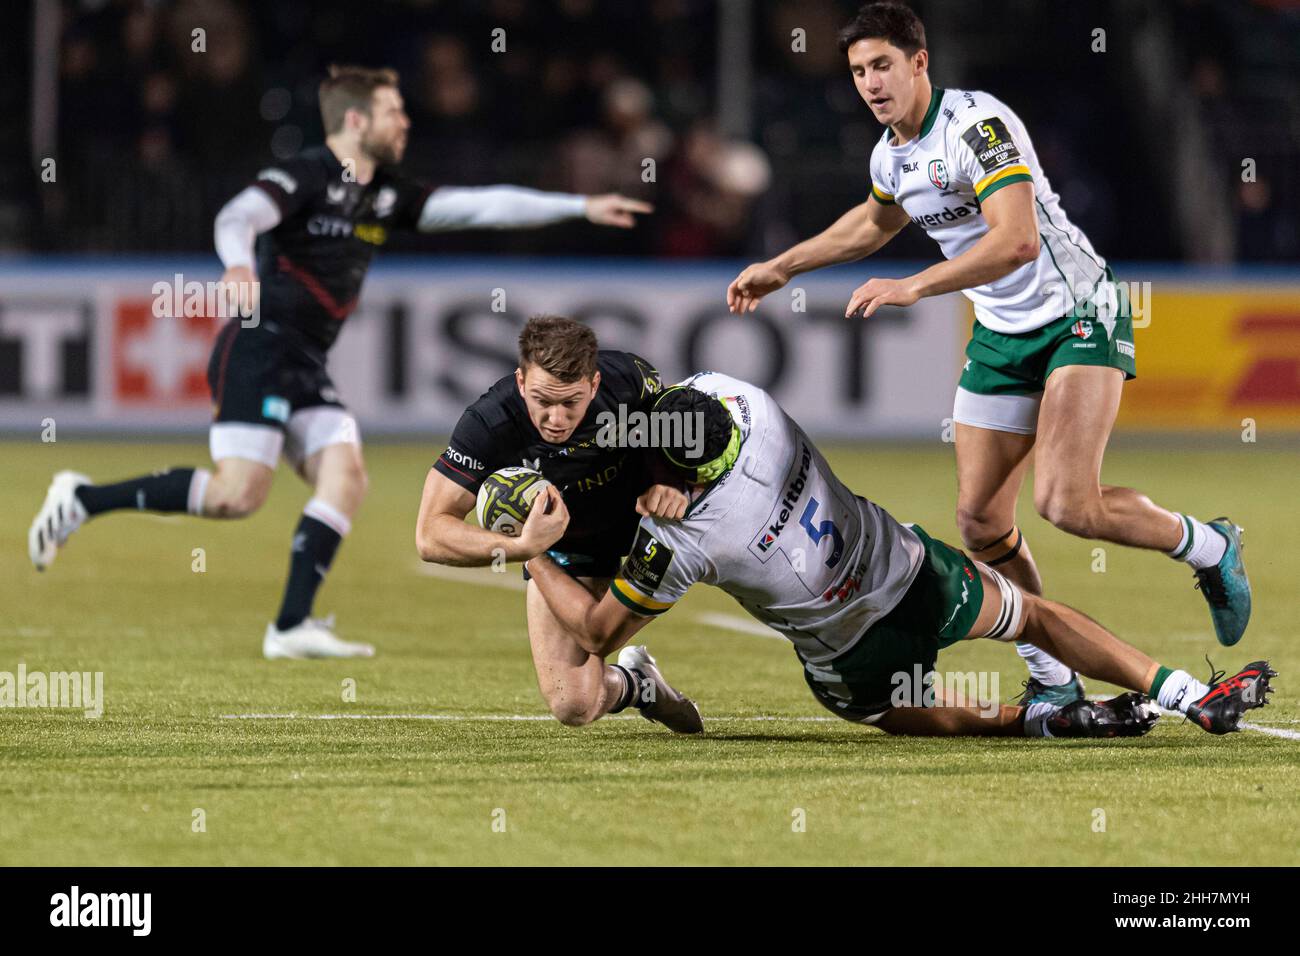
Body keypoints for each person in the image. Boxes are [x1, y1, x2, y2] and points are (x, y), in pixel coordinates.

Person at [725, 3, 1251, 712]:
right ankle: (1053, 675)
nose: (870, 83)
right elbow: (873, 223)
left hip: (1076, 311)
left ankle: (1210, 546)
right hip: (1002, 334)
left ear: (919, 62)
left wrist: (914, 286)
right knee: (980, 522)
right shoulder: (890, 154)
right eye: (857, 71)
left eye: (882, 65)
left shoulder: (977, 124)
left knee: (1066, 503)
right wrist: (782, 266)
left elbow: (1018, 241)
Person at [28, 65, 652, 660]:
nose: (405, 121)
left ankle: (290, 626)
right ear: (356, 120)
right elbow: (237, 215)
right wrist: (239, 263)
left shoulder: (383, 194)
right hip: (261, 345)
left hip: (304, 360)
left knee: (346, 478)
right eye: (393, 111)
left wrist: (578, 207)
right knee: (236, 494)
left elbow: (479, 205)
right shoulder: (306, 174)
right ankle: (83, 497)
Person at [519, 373, 1275, 738]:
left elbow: (596, 632)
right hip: (909, 569)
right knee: (1033, 618)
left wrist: (535, 551)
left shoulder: (681, 541)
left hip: (848, 649)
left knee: (890, 711)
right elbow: (675, 401)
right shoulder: (745, 402)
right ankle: (1184, 693)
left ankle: (1037, 722)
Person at [416, 315, 702, 734]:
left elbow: (680, 422)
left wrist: (669, 478)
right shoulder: (490, 424)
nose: (556, 418)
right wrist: (523, 548)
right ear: (520, 382)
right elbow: (430, 534)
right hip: (573, 540)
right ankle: (639, 685)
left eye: (571, 402)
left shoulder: (629, 381)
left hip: (648, 517)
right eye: (542, 401)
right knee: (574, 704)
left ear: (594, 384)